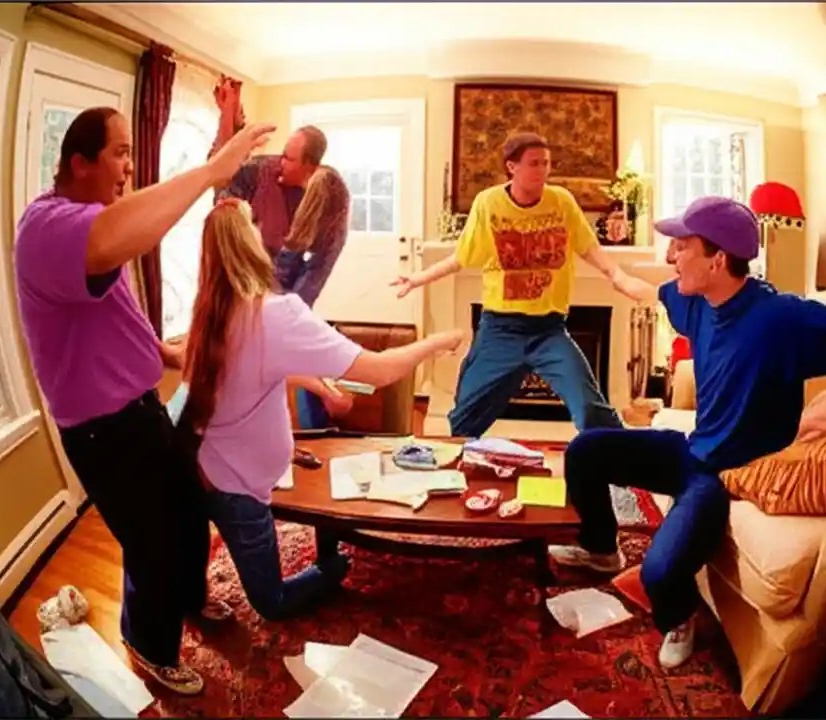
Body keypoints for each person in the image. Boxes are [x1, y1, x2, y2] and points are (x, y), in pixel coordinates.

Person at [547, 195, 826, 669]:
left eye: (682, 246)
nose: (672, 256)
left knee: (659, 573)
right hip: (692, 451)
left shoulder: (780, 318)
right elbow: (647, 291)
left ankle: (679, 618)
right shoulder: (696, 301)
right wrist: (607, 269)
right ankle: (603, 549)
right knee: (586, 449)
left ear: (718, 259)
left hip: (727, 476)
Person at [13, 106, 274, 694]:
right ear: (79, 162)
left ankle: (188, 597)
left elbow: (114, 315)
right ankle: (148, 644)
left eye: (131, 152)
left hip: (141, 408)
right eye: (120, 152)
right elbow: (117, 236)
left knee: (189, 513)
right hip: (104, 431)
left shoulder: (90, 222)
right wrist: (211, 172)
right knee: (152, 543)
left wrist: (166, 353)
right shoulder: (47, 228)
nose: (129, 167)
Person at [179, 198, 463, 622]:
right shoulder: (276, 314)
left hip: (200, 465)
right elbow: (378, 371)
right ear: (249, 242)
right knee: (272, 603)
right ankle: (338, 565)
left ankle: (193, 596)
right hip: (236, 487)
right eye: (256, 222)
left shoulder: (212, 310)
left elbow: (254, 366)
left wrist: (316, 383)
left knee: (194, 557)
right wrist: (437, 342)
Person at [392, 131, 652, 437]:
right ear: (512, 167)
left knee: (590, 407)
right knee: (464, 418)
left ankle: (618, 462)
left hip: (549, 330)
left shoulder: (561, 201)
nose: (542, 170)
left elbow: (588, 247)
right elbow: (461, 258)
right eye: (533, 163)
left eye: (546, 163)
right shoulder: (489, 203)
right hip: (500, 329)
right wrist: (418, 278)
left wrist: (618, 276)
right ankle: (460, 463)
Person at [209, 86, 352, 426]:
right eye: (282, 154)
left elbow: (315, 273)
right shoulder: (262, 171)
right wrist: (228, 119)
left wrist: (286, 314)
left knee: (290, 336)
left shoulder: (330, 200)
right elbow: (219, 178)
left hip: (289, 278)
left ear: (310, 165)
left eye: (289, 159)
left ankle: (315, 423)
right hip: (245, 279)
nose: (280, 163)